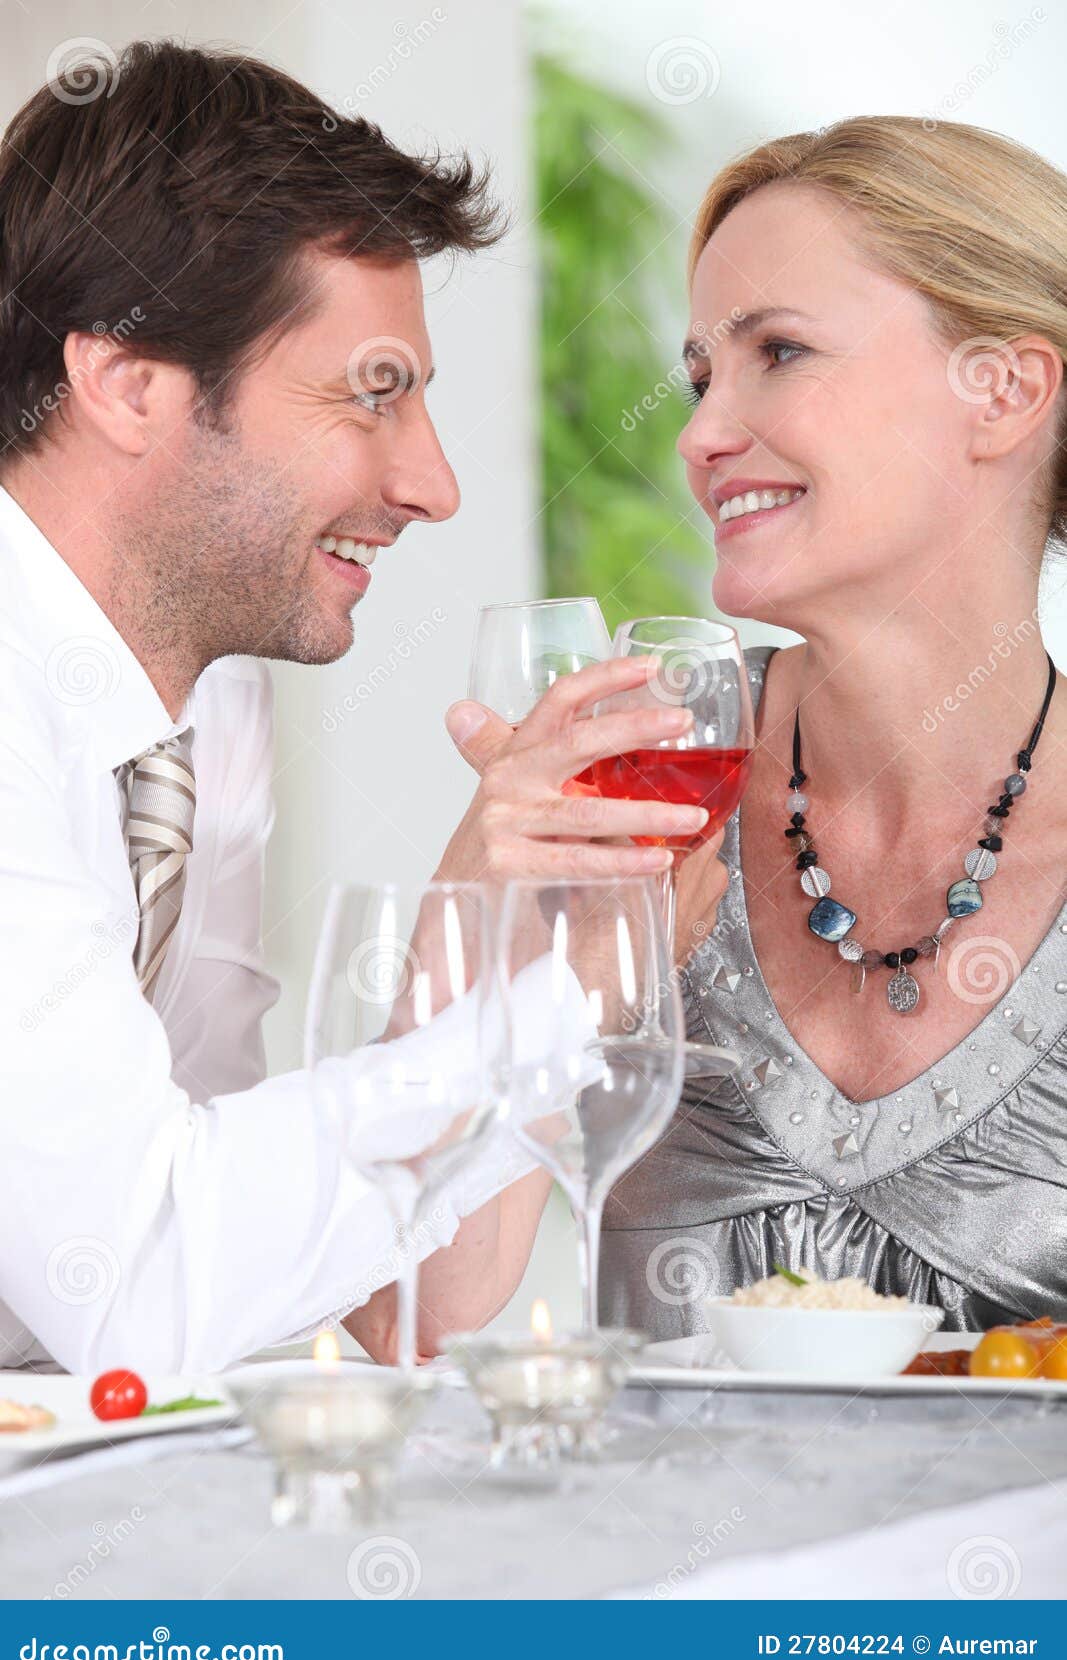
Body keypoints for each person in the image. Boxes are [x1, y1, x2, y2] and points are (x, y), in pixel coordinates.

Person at [0, 42, 713, 1375]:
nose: (434, 484)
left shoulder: (204, 718)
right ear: (126, 383)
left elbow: (272, 1267)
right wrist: (574, 996)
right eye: (370, 394)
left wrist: (475, 928)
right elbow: (142, 1290)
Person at [600, 115, 1067, 1336]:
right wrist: (503, 970)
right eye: (702, 374)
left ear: (1002, 391)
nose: (699, 435)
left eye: (781, 354)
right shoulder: (636, 775)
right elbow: (408, 1323)